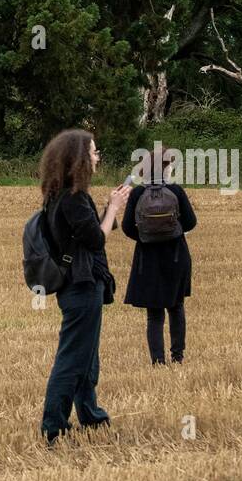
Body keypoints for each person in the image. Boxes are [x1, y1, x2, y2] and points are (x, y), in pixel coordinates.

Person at [39, 129, 131, 443]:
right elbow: (95, 239)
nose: (97, 156)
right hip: (81, 285)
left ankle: (90, 415)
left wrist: (109, 207)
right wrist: (115, 208)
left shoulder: (62, 195)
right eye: (93, 151)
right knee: (73, 358)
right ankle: (53, 426)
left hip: (78, 284)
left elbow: (92, 230)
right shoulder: (73, 198)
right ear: (79, 158)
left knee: (87, 356)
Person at [121, 145, 198, 365]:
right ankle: (178, 356)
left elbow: (127, 227)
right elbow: (191, 222)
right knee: (176, 307)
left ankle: (157, 361)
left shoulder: (137, 193)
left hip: (148, 258)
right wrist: (172, 232)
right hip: (175, 255)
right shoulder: (175, 191)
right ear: (165, 167)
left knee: (154, 314)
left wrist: (146, 237)